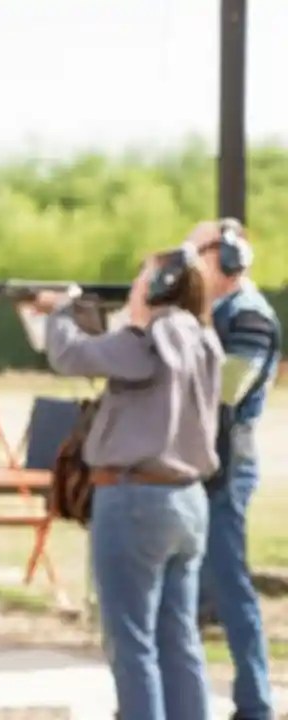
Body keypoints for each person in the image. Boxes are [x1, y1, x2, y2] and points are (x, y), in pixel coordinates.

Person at [28, 245, 222, 720]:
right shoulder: (201, 341)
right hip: (187, 499)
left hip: (136, 498)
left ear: (157, 288)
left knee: (131, 643)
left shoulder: (147, 344)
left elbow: (69, 355)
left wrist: (62, 310)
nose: (135, 285)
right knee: (179, 640)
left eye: (142, 278)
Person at [187, 218, 280, 720]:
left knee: (229, 583)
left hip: (227, 459)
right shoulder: (215, 311)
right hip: (199, 457)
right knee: (189, 589)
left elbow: (223, 391)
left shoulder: (250, 317)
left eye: (196, 250)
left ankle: (256, 702)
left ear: (223, 258)